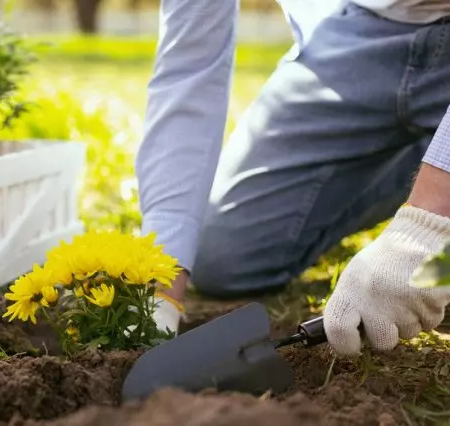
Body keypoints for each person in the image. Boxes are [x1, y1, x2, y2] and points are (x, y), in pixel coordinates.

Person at [136, 0, 450, 356]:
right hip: (363, 31)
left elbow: (427, 228)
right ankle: (428, 155)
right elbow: (188, 66)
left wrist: (425, 227)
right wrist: (161, 286)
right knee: (222, 256)